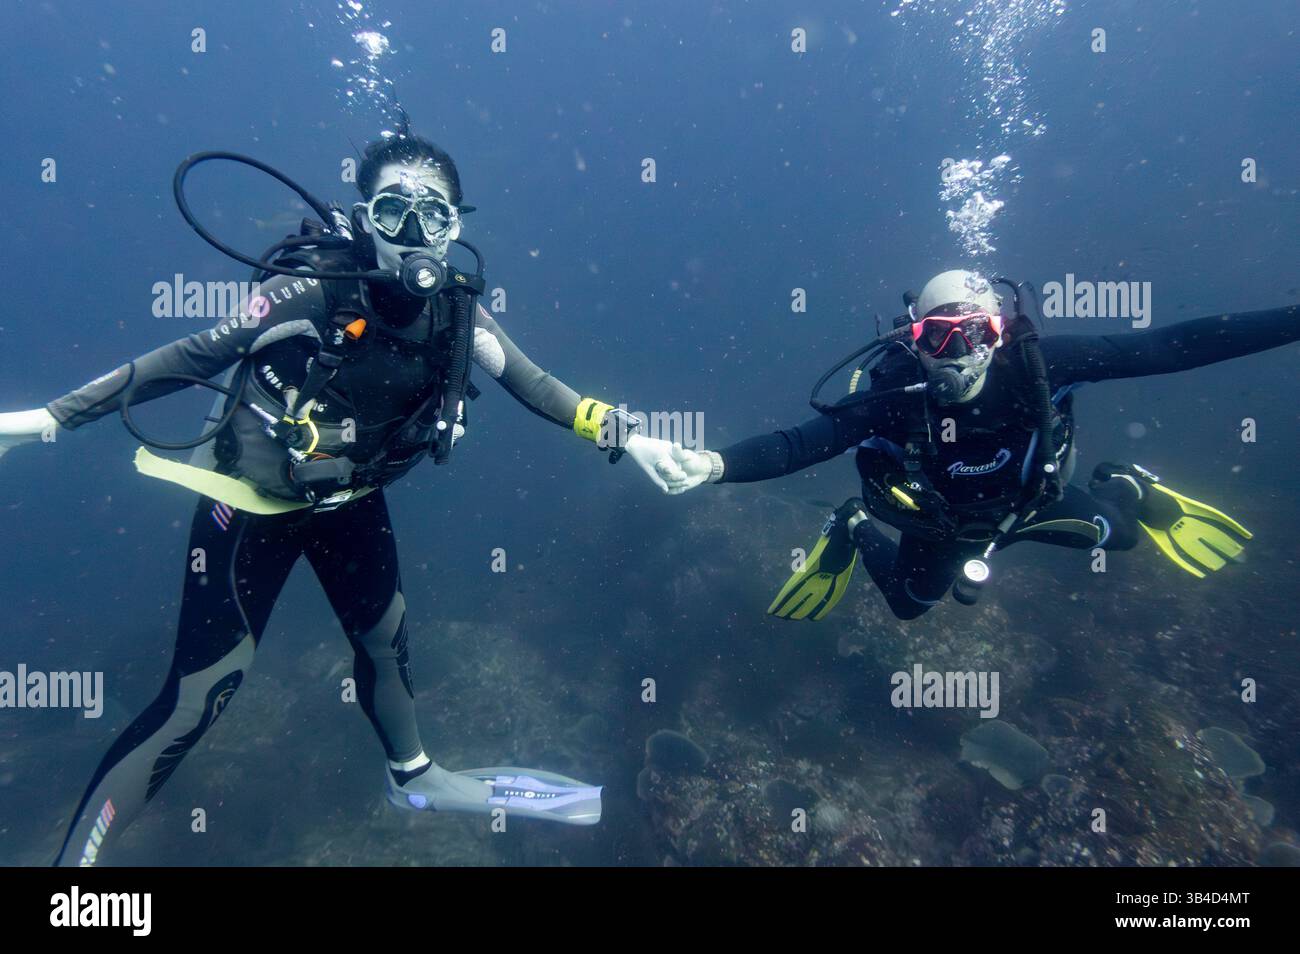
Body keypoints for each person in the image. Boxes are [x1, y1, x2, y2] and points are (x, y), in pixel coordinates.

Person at [0, 123, 681, 865]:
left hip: (352, 501)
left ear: (456, 228)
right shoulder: (311, 293)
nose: (414, 234)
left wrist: (630, 433)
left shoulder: (458, 315)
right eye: (394, 212)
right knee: (198, 700)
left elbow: (540, 387)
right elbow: (189, 356)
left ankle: (413, 776)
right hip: (251, 503)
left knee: (387, 646)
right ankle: (71, 879)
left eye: (435, 216)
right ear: (363, 219)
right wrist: (48, 418)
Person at [660, 269, 1298, 620]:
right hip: (937, 525)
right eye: (938, 337)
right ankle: (853, 525)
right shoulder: (895, 392)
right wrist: (715, 464)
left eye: (972, 333)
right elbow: (804, 443)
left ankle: (1127, 483)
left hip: (1027, 503)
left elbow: (1167, 348)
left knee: (1125, 535)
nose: (956, 354)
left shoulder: (1037, 365)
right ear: (914, 341)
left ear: (998, 332)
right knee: (909, 609)